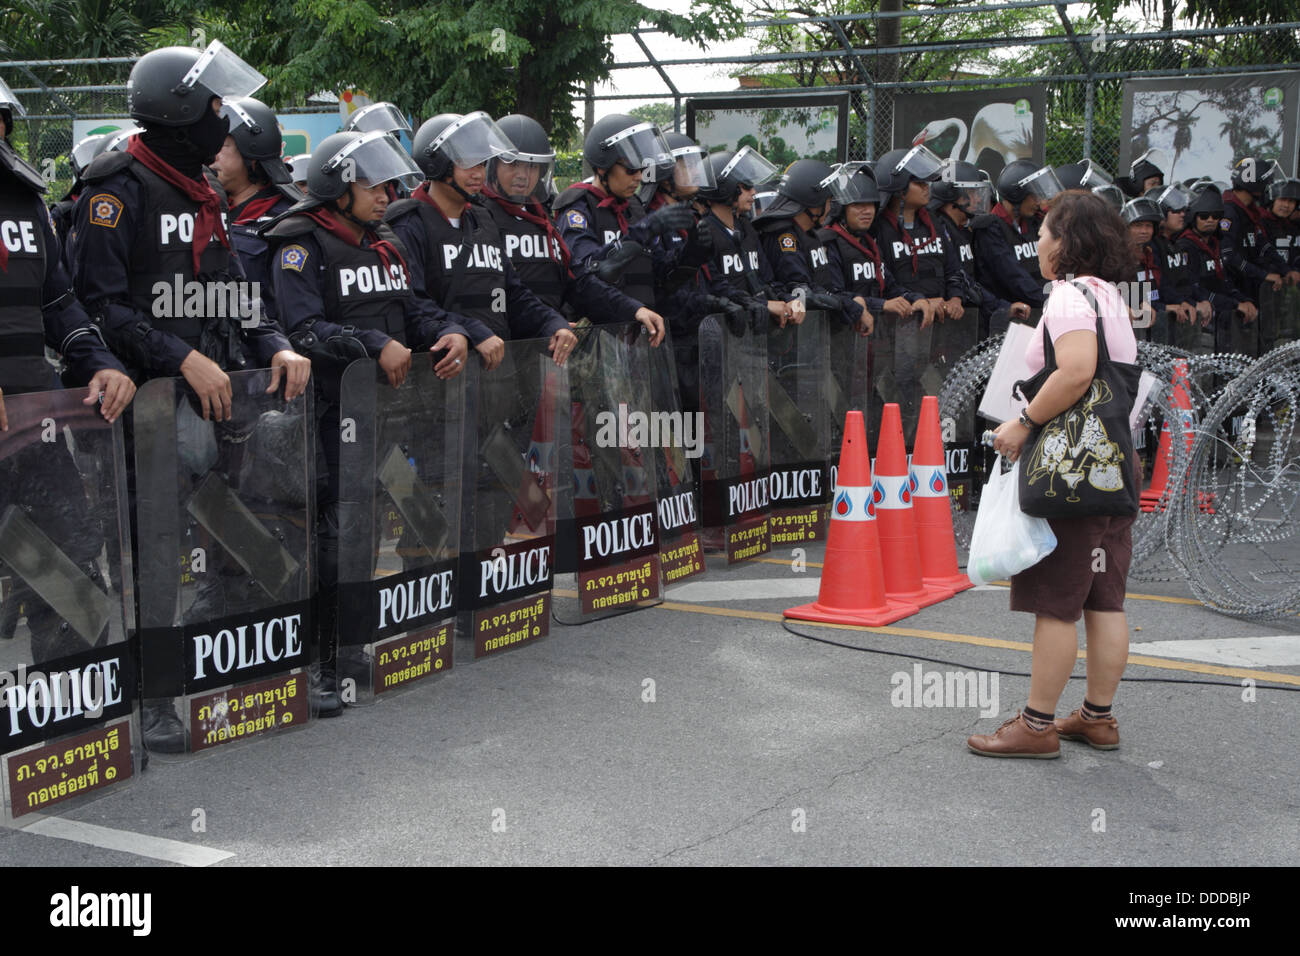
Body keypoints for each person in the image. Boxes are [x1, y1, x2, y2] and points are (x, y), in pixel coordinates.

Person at [70, 42, 313, 752]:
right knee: (154, 548)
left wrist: (275, 343)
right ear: (179, 113)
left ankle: (218, 656)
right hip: (144, 408)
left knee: (225, 530)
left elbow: (237, 291)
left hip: (211, 399)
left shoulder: (200, 187)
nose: (222, 118)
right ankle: (152, 698)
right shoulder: (117, 189)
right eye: (212, 106)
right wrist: (181, 359)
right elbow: (99, 306)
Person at [262, 129, 472, 715]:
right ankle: (320, 666)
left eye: (387, 182)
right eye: (371, 184)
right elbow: (301, 330)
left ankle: (352, 646)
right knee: (332, 540)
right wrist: (374, 342)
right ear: (336, 186)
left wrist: (450, 330)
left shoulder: (382, 243)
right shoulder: (301, 245)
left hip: (385, 413)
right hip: (326, 418)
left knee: (367, 533)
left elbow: (412, 308)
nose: (386, 193)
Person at [968, 191, 1139, 758]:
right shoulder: (1111, 296)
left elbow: (1076, 372)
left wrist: (1022, 421)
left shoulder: (1067, 296)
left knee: (1057, 601)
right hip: (1113, 468)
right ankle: (1097, 717)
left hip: (1072, 471)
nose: (1037, 242)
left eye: (1044, 232)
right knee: (1104, 599)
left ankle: (1036, 727)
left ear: (1065, 242)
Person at [385, 112, 577, 370]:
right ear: (437, 164)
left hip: (495, 371)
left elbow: (514, 292)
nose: (478, 172)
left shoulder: (483, 219)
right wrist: (472, 332)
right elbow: (413, 303)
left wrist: (553, 323)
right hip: (440, 373)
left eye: (482, 163)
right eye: (467, 162)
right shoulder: (409, 225)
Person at [480, 113, 663, 342]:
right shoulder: (476, 219)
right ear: (493, 164)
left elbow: (579, 282)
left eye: (532, 166)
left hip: (542, 349)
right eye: (513, 163)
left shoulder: (542, 224)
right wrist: (548, 323)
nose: (523, 175)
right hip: (488, 353)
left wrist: (633, 309)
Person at [211, 95, 303, 324]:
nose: (210, 155)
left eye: (220, 145)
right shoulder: (208, 211)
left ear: (250, 151)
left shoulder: (288, 220)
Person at [753, 158, 870, 331]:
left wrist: (851, 299)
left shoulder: (807, 233)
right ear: (814, 201)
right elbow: (801, 292)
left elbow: (823, 286)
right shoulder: (784, 237)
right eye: (829, 201)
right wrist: (848, 304)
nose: (831, 208)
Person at [929, 159, 1029, 338]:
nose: (977, 198)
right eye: (971, 193)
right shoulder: (940, 229)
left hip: (967, 318)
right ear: (953, 195)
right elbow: (960, 276)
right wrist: (1001, 306)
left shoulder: (963, 229)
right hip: (946, 325)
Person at [971, 159, 1061, 315]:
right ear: (1017, 194)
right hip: (1010, 318)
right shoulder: (990, 229)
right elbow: (1014, 277)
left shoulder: (1035, 223)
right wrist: (1052, 302)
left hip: (1043, 309)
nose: (1038, 201)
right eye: (1033, 195)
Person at [1177, 183, 1257, 353]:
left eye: (1215, 216)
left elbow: (1224, 282)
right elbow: (1194, 288)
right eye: (1204, 216)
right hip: (1201, 324)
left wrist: (1243, 300)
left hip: (1222, 322)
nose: (1210, 221)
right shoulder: (1185, 246)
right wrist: (1234, 305)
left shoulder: (1215, 244)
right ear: (1193, 217)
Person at [1146, 184, 1208, 349]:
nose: (1182, 214)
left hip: (1179, 316)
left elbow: (1185, 280)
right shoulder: (1152, 246)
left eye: (1183, 210)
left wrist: (1200, 300)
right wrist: (1184, 303)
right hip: (1161, 319)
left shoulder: (1174, 243)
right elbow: (1163, 283)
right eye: (1175, 210)